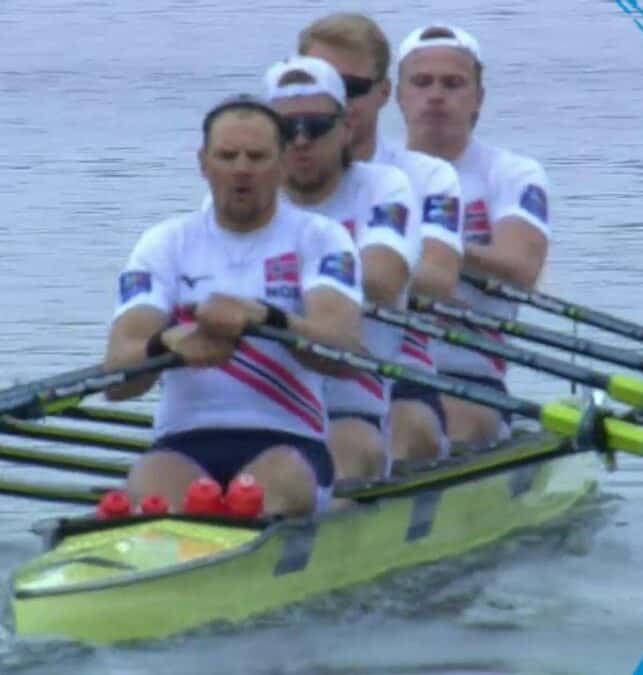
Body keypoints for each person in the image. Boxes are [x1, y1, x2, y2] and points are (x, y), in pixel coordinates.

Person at [102, 94, 365, 517]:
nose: (242, 169)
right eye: (227, 156)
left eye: (257, 157)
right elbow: (116, 381)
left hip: (289, 444)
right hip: (182, 445)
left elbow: (344, 352)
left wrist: (269, 318)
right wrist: (165, 345)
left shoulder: (321, 238)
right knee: (149, 485)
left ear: (283, 164)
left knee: (269, 492)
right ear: (203, 163)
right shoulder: (165, 243)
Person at [297, 13, 464, 464]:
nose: (334, 102)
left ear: (384, 93)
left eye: (350, 88)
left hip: (396, 362)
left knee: (410, 429)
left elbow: (436, 280)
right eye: (320, 85)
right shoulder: (254, 177)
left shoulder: (426, 177)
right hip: (287, 363)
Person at [262, 55, 421, 482]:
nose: (300, 141)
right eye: (285, 129)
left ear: (346, 129)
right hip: (262, 407)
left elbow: (383, 280)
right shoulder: (239, 201)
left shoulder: (384, 187)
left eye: (315, 127)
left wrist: (265, 289)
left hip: (352, 405)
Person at [395, 24, 553, 447]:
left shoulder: (511, 173)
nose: (436, 95)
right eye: (422, 82)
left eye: (453, 84)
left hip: (466, 374)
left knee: (439, 427)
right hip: (375, 370)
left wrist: (431, 249)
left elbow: (520, 270)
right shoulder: (372, 177)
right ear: (398, 96)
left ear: (478, 98)